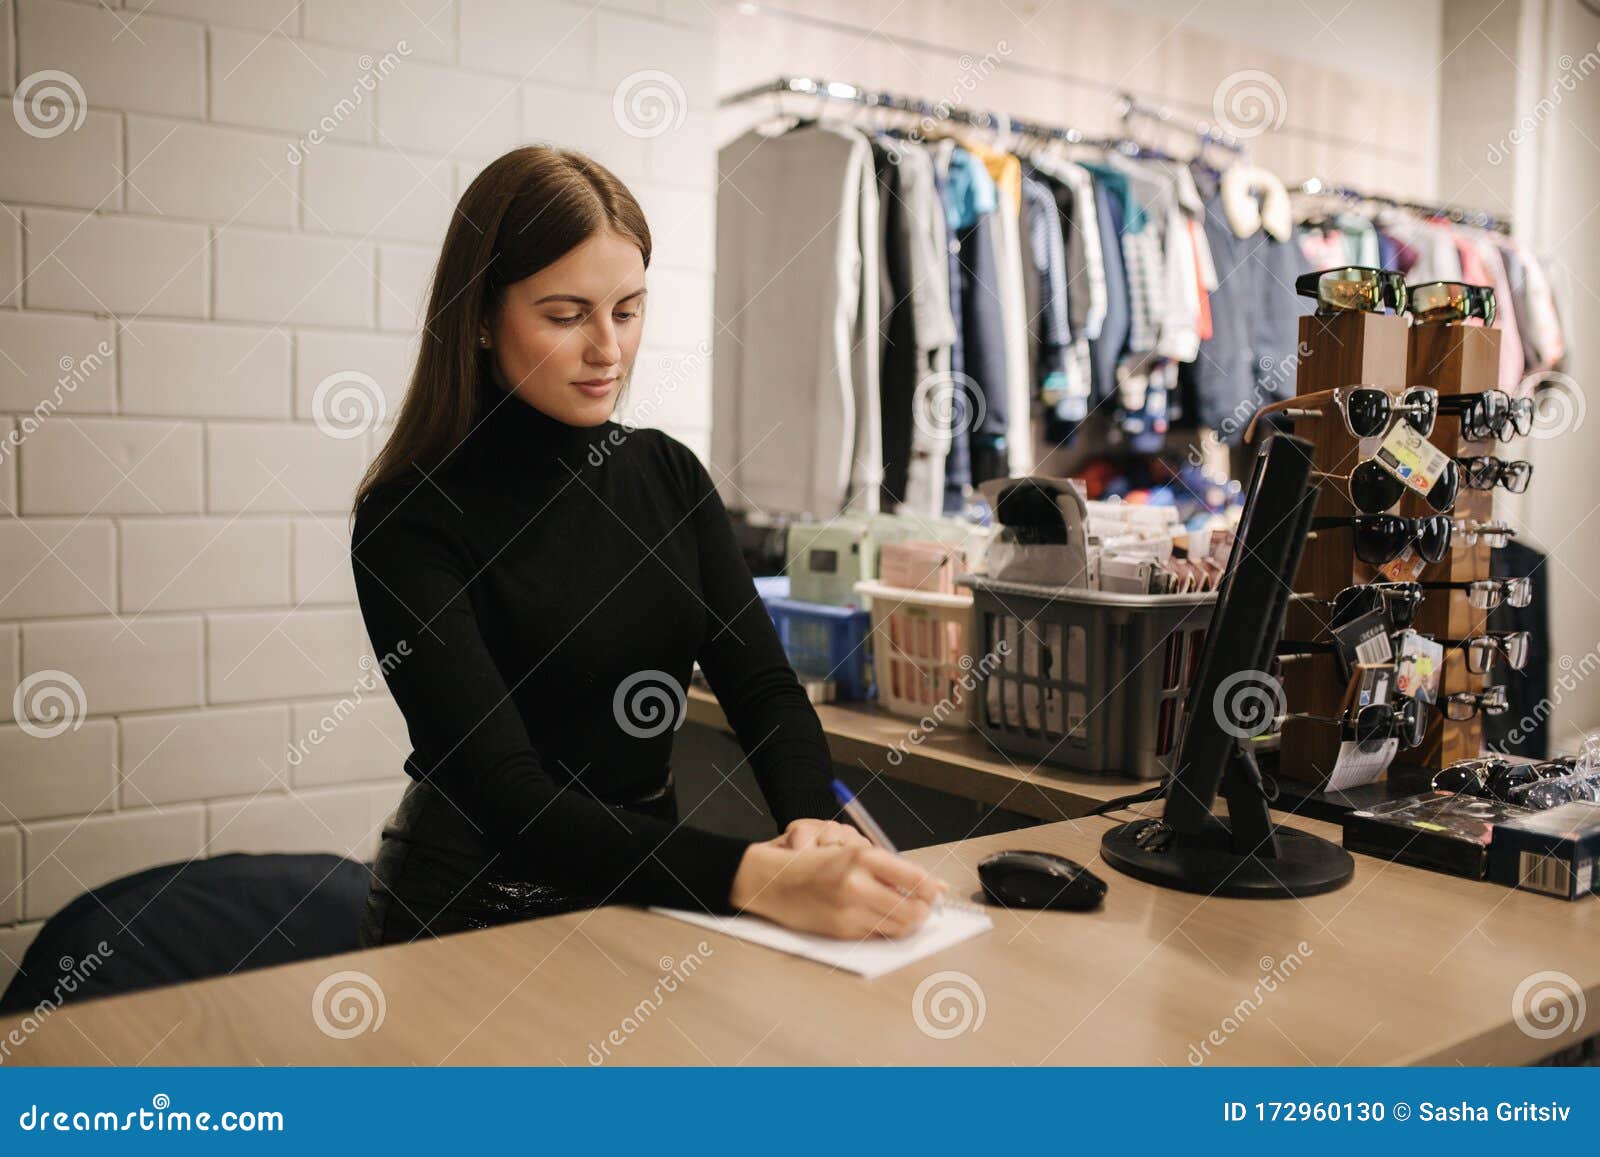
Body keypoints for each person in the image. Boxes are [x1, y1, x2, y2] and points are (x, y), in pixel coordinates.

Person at [349, 146, 949, 947]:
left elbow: (765, 688)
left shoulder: (667, 474)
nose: (608, 349)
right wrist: (759, 877)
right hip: (471, 910)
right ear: (483, 318)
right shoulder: (410, 517)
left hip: (642, 887)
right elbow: (508, 790)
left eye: (627, 310)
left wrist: (814, 824)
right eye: (566, 316)